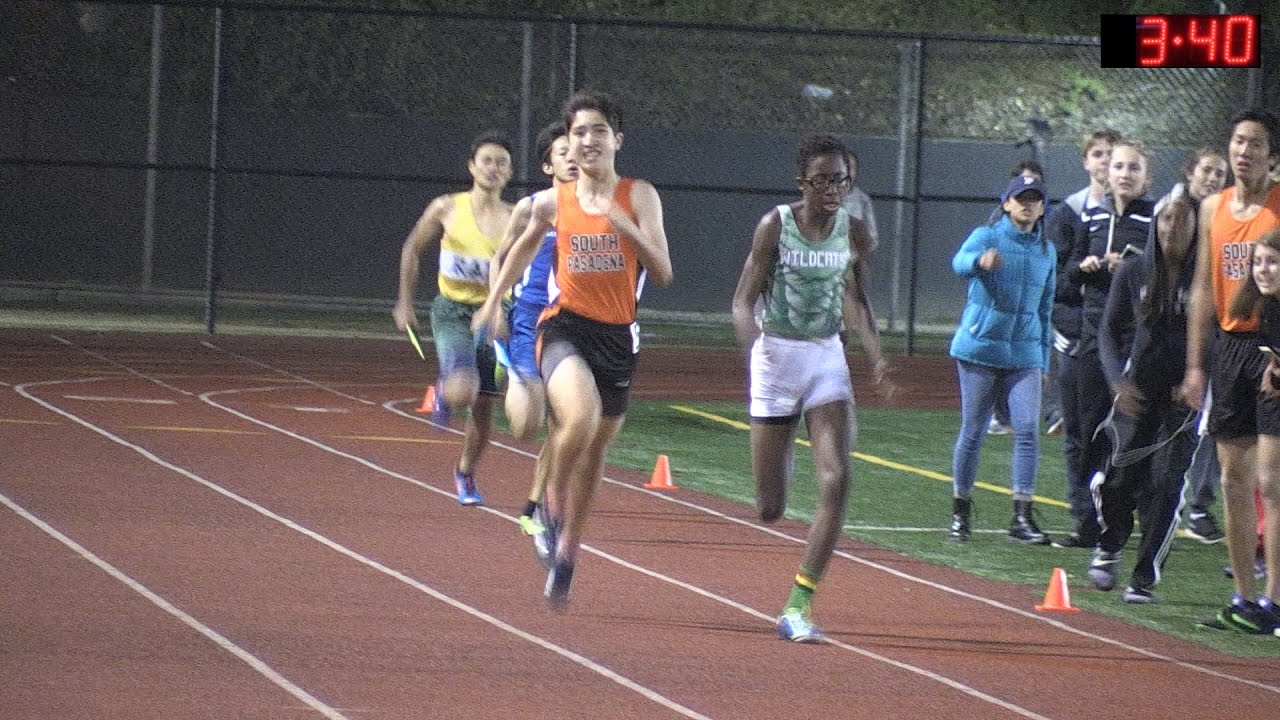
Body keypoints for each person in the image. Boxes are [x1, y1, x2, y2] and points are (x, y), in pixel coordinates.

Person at [471, 91, 672, 610]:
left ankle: (567, 551)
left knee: (596, 450)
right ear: (569, 141)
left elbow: (665, 273)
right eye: (578, 132)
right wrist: (494, 302)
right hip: (563, 327)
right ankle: (549, 507)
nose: (587, 140)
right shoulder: (552, 202)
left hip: (618, 338)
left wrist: (623, 225)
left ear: (616, 139)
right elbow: (518, 249)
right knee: (578, 419)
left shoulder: (639, 196)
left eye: (598, 130)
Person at [731, 133, 893, 643]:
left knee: (837, 479)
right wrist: (754, 347)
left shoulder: (856, 232)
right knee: (770, 508)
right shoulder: (774, 226)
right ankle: (784, 449)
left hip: (826, 357)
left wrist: (877, 357)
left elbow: (856, 296)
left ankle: (799, 605)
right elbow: (742, 300)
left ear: (851, 182)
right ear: (802, 181)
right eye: (820, 179)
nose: (830, 188)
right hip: (776, 358)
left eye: (839, 179)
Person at [1180, 108, 1280, 634]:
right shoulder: (1212, 207)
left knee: (1272, 479)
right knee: (1232, 480)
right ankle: (1242, 598)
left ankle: (1275, 601)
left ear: (1272, 155)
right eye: (1239, 141)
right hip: (1228, 351)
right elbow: (1201, 287)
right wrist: (1196, 365)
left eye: (1256, 143)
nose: (1245, 151)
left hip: (1272, 350)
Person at [1087, 193, 1199, 603]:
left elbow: (1219, 335)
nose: (1173, 228)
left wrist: (1196, 377)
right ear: (1155, 223)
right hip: (1137, 394)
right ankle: (1110, 544)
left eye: (1182, 220)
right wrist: (1118, 381)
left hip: (1184, 401)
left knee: (1168, 484)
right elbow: (1107, 331)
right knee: (1118, 480)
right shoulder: (1134, 270)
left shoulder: (1206, 277)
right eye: (1166, 219)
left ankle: (1143, 577)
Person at [393, 131, 514, 507]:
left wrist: (501, 311)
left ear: (509, 173)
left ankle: (464, 473)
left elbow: (523, 270)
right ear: (472, 167)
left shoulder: (516, 218)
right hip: (452, 310)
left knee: (484, 409)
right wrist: (404, 301)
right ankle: (448, 387)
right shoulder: (446, 208)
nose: (493, 168)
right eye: (487, 161)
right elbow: (413, 246)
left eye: (502, 163)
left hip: (494, 313)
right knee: (464, 388)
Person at [946, 174, 1055, 545]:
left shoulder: (1046, 251)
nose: (1028, 204)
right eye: (1020, 198)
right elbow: (958, 263)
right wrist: (980, 261)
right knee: (973, 431)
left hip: (1024, 354)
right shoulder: (987, 235)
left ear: (1042, 208)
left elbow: (1045, 308)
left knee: (1027, 430)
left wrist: (1043, 361)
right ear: (1006, 203)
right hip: (980, 349)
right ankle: (961, 510)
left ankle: (1021, 516)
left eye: (1035, 199)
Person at [487, 121, 578, 562]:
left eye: (578, 149)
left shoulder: (597, 207)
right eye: (564, 153)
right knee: (526, 427)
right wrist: (493, 304)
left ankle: (540, 504)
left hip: (569, 323)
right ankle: (512, 371)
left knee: (565, 423)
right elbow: (500, 258)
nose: (574, 158)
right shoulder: (533, 208)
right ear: (547, 164)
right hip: (527, 320)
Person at [1049, 129, 1123, 549]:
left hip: (1125, 342)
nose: (1105, 163)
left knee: (1124, 435)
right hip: (1082, 339)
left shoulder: (1136, 218)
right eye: (1098, 155)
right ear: (1086, 162)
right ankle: (1085, 518)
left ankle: (1118, 512)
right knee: (1081, 432)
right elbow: (1054, 280)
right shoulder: (1071, 213)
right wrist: (1084, 270)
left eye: (1112, 156)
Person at [1154, 147, 1230, 545]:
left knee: (1210, 423)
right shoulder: (1175, 211)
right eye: (1208, 171)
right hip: (1172, 334)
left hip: (1215, 332)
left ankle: (1197, 505)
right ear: (1191, 172)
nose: (1215, 178)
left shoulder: (1225, 214)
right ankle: (1157, 500)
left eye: (1221, 173)